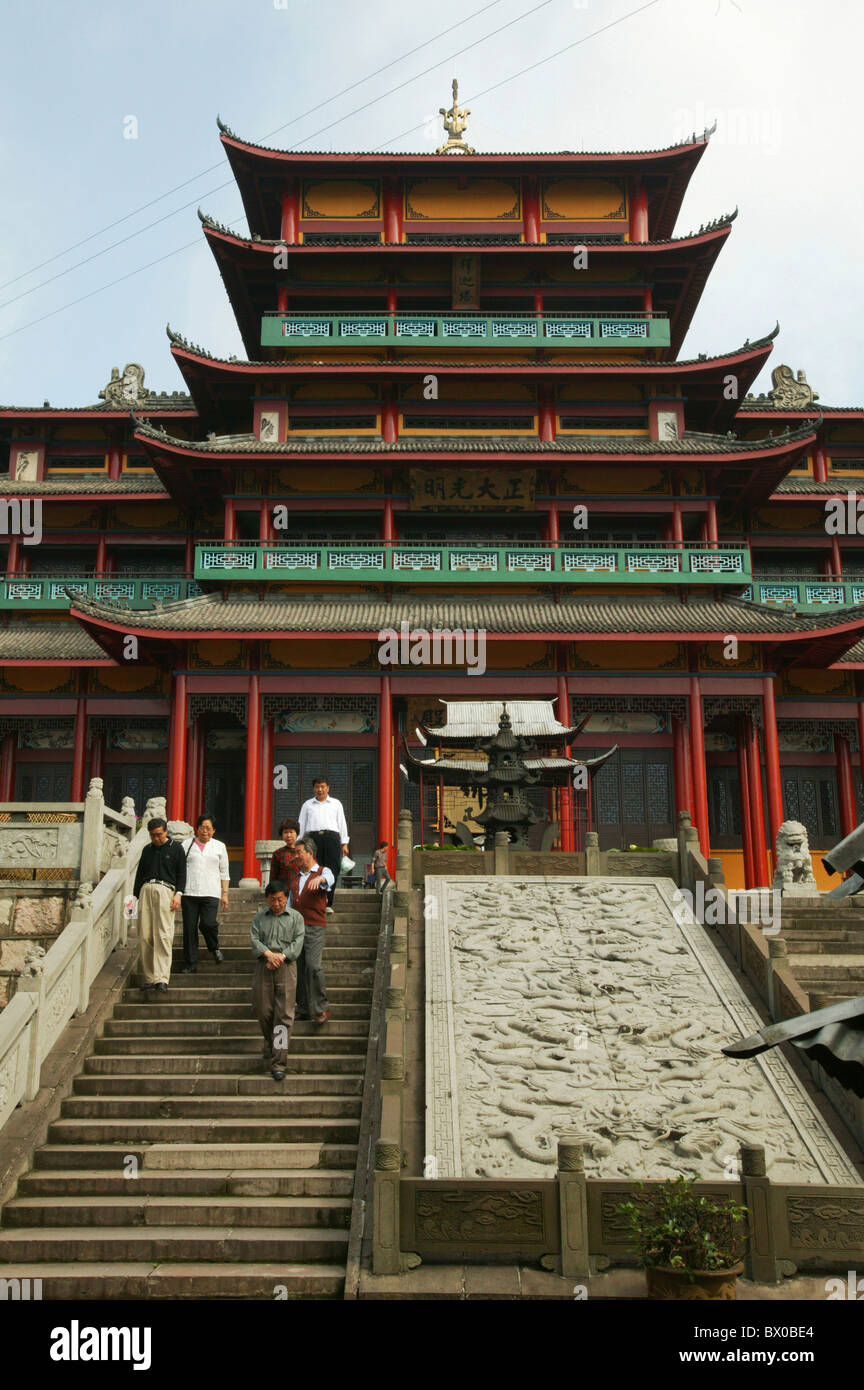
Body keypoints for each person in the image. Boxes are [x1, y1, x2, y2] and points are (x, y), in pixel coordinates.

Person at [250, 880, 305, 1083]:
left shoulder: (296, 918)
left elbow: (298, 941)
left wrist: (281, 956)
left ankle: (279, 1062)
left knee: (283, 1016)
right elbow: (254, 939)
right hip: (264, 965)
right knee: (262, 1009)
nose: (277, 904)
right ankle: (270, 1041)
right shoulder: (259, 918)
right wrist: (267, 954)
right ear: (267, 899)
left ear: (286, 898)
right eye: (273, 900)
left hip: (286, 967)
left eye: (280, 899)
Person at [132, 817, 187, 996]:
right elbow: (139, 876)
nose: (156, 838)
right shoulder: (147, 850)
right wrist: (132, 903)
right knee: (145, 936)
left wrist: (179, 894)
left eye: (159, 835)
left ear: (165, 832)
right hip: (146, 890)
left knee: (163, 935)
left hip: (166, 890)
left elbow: (182, 874)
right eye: (153, 835)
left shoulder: (176, 848)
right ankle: (149, 978)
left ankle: (162, 978)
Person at [179, 813, 229, 973]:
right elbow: (179, 869)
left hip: (211, 892)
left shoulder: (219, 846)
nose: (205, 831)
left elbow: (224, 872)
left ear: (213, 830)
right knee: (189, 928)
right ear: (196, 829)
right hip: (189, 892)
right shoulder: (186, 845)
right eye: (202, 827)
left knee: (207, 923)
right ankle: (190, 963)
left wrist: (225, 893)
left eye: (208, 828)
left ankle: (214, 948)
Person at [291, 835, 333, 1025]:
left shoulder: (323, 872)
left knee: (313, 966)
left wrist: (322, 878)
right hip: (297, 928)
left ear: (310, 853)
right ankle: (303, 1007)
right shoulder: (296, 877)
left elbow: (329, 880)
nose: (296, 856)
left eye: (299, 852)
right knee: (298, 968)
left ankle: (321, 1007)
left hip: (315, 926)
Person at [297, 777, 348, 914]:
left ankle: (328, 902)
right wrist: (298, 842)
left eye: (323, 786)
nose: (320, 790)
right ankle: (315, 901)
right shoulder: (307, 805)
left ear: (328, 788)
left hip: (332, 837)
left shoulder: (336, 803)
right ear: (314, 789)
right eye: (317, 787)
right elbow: (301, 824)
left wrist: (344, 843)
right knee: (314, 868)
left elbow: (342, 823)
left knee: (333, 869)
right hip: (313, 838)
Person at [270, 817, 301, 893]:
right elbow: (273, 876)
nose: (288, 835)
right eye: (286, 832)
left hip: (301, 891)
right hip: (284, 892)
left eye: (291, 832)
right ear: (282, 834)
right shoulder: (278, 853)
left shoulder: (304, 851)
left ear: (296, 833)